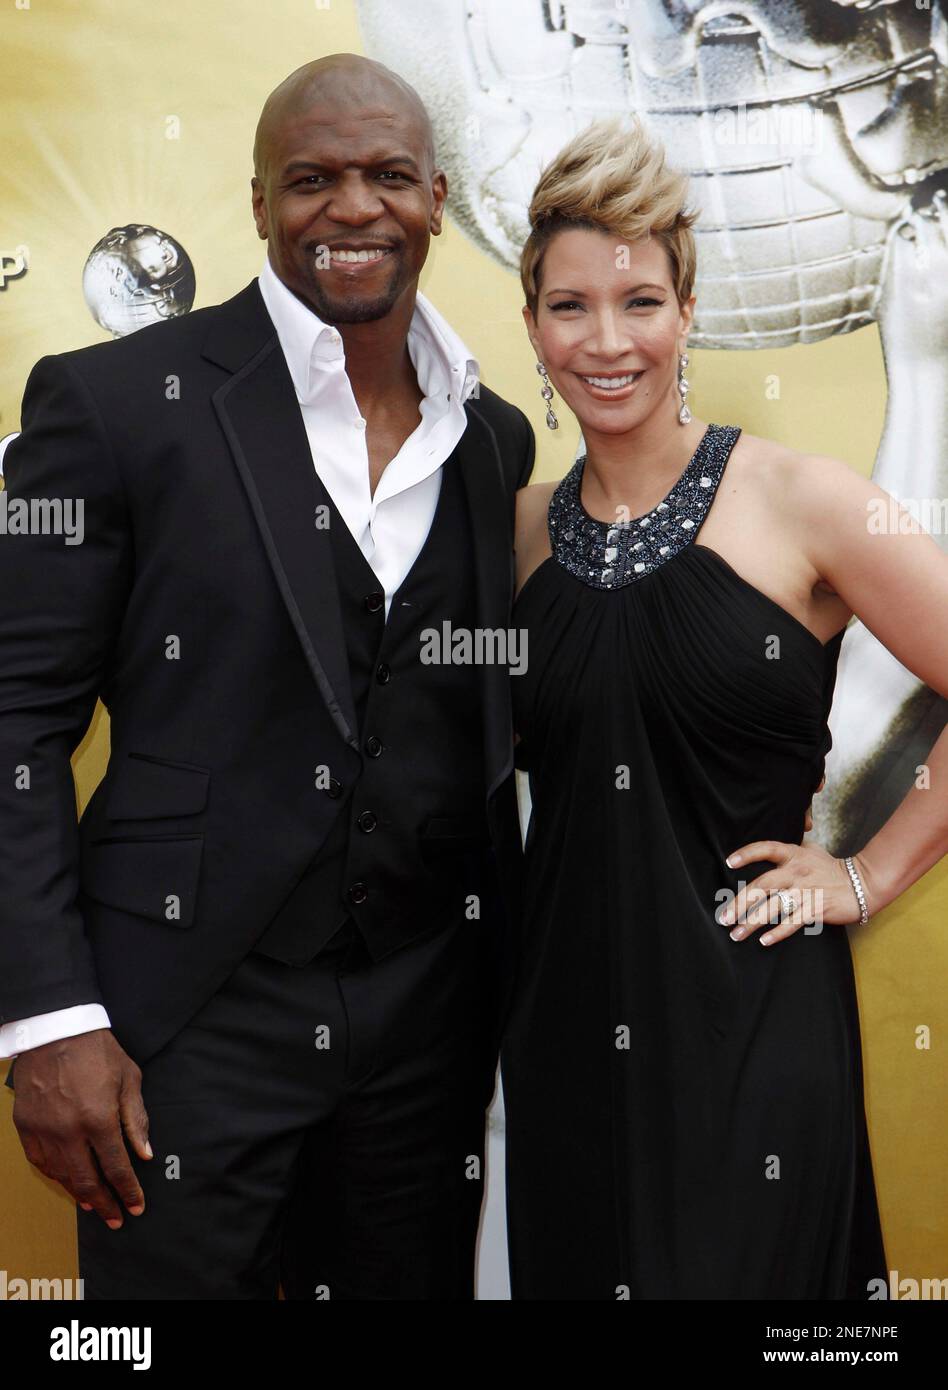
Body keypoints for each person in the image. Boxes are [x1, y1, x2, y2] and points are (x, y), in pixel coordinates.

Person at [0, 53, 534, 1300]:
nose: (353, 208)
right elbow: (15, 719)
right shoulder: (116, 404)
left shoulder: (490, 434)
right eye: (313, 179)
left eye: (387, 175)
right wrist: (48, 1020)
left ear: (438, 200)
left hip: (425, 1027)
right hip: (179, 1026)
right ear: (256, 204)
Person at [503, 117, 948, 1300]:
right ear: (532, 322)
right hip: (561, 1038)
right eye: (569, 306)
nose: (607, 341)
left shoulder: (811, 501)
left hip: (754, 1034)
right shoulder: (517, 533)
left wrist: (866, 875)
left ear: (688, 310)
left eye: (640, 301)